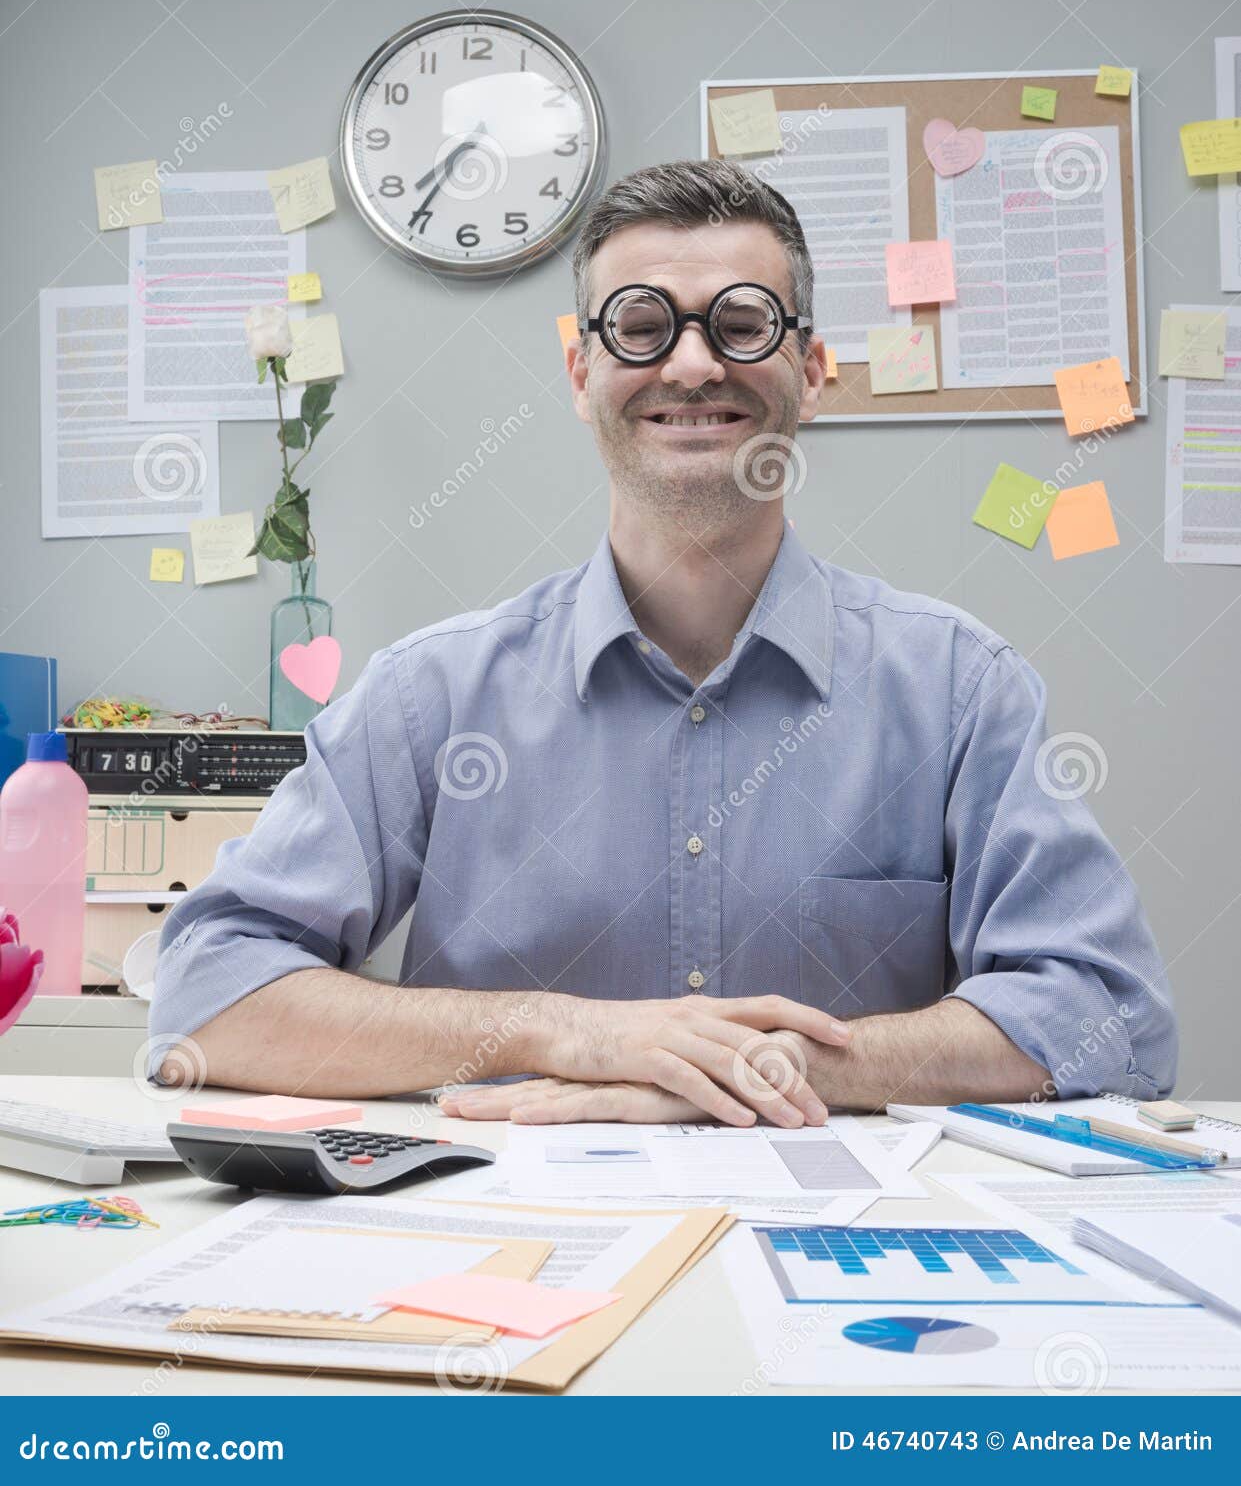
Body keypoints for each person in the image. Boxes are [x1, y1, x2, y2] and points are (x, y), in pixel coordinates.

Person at [149, 159, 1176, 1127]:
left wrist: (771, 1070)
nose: (691, 363)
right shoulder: (431, 695)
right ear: (580, 371)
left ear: (813, 371)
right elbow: (205, 992)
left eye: (742, 322)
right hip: (510, 1243)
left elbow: (1111, 1016)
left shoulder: (956, 689)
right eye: (641, 326)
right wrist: (568, 1033)